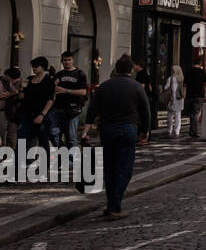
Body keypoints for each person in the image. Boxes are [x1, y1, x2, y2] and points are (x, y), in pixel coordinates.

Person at [79, 54, 151, 220]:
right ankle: (114, 207)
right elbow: (145, 111)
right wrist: (145, 131)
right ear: (131, 70)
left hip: (108, 129)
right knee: (124, 169)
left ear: (116, 69)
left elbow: (92, 110)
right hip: (128, 129)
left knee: (110, 168)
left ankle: (112, 204)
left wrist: (85, 131)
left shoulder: (104, 86)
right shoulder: (136, 87)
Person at [52, 51, 89, 148]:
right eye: (65, 60)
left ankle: (72, 161)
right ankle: (62, 154)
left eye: (69, 60)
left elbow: (83, 92)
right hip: (58, 108)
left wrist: (66, 91)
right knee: (53, 133)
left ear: (73, 60)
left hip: (73, 109)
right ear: (61, 61)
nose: (67, 62)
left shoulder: (80, 74)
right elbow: (52, 91)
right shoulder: (58, 75)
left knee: (71, 137)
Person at [19, 56, 56, 151]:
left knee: (43, 140)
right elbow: (22, 98)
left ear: (42, 66)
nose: (34, 68)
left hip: (41, 114)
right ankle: (19, 164)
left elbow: (50, 100)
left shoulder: (49, 81)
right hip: (27, 114)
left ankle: (45, 163)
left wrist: (42, 114)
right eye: (33, 66)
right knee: (22, 140)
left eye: (36, 66)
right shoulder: (29, 79)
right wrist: (21, 88)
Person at [1, 67, 22, 150]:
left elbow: (16, 93)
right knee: (7, 133)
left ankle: (9, 152)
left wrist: (9, 94)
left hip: (13, 112)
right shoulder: (6, 82)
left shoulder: (17, 83)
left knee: (11, 133)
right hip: (8, 111)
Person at [184, 64, 206, 139]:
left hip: (189, 95)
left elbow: (184, 84)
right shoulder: (202, 72)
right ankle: (194, 132)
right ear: (200, 64)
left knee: (192, 114)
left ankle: (192, 131)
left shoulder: (188, 71)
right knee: (196, 114)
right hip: (199, 95)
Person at [163, 65, 185, 138]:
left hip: (171, 99)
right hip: (180, 99)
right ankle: (177, 130)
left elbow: (166, 87)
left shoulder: (170, 78)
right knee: (178, 115)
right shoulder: (181, 79)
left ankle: (169, 129)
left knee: (170, 115)